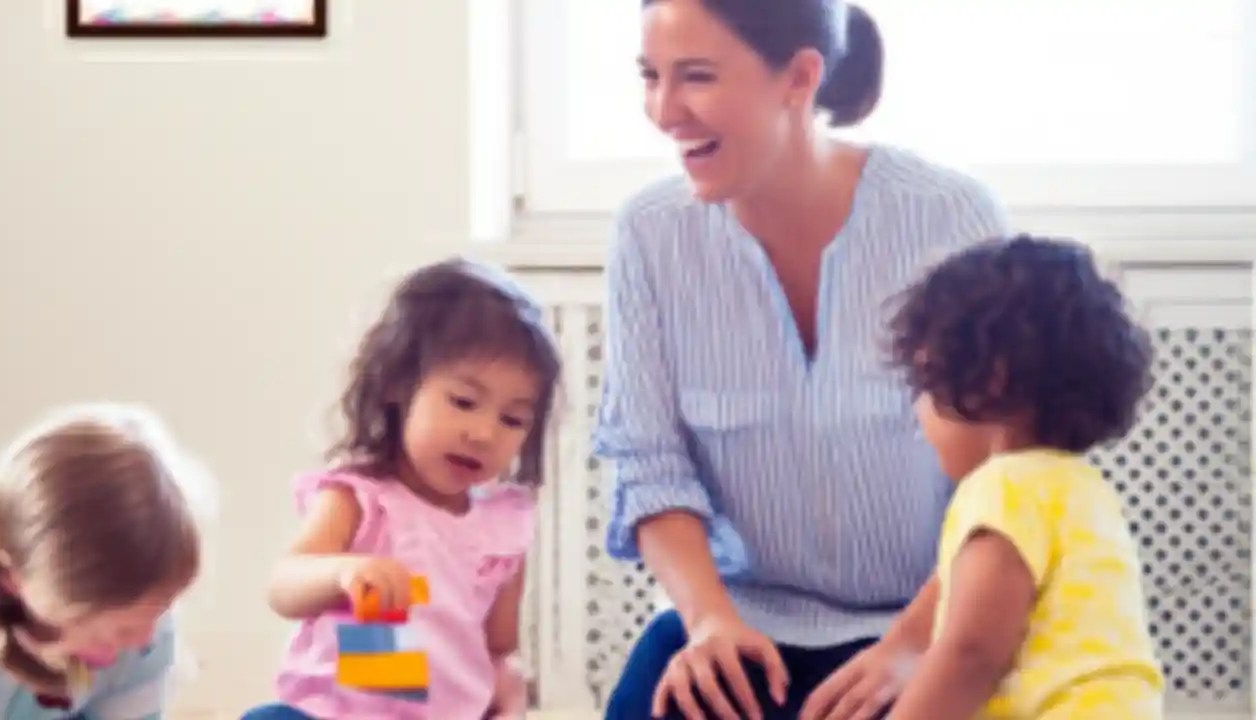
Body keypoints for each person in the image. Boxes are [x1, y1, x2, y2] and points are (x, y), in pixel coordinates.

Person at [594, 0, 1011, 718]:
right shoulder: (648, 235)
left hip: (926, 624)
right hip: (738, 622)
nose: (664, 111)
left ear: (800, 76)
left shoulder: (952, 218)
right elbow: (650, 465)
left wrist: (917, 642)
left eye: (696, 77)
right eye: (649, 76)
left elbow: (1010, 475)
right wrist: (707, 620)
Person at [242, 259, 562, 720]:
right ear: (397, 384)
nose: (484, 433)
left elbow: (499, 646)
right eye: (464, 402)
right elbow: (283, 586)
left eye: (512, 419)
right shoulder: (362, 497)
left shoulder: (502, 526)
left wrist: (508, 689)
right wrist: (343, 574)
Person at [880, 234, 1163, 719]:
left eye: (925, 385)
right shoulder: (1083, 488)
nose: (919, 414)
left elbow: (972, 651)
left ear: (992, 379)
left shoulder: (1001, 488)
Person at [0, 403, 208, 719]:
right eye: (116, 632)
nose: (145, 637)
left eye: (161, 609)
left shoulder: (145, 640)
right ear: (16, 583)